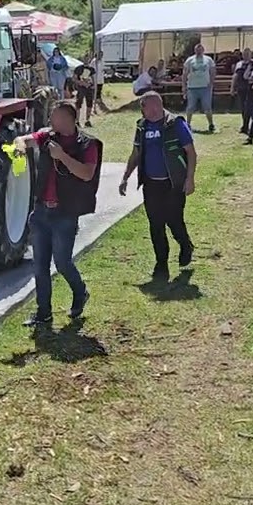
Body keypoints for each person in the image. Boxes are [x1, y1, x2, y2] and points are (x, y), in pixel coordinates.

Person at [15, 102, 101, 332]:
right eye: (52, 117)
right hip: (42, 211)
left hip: (65, 214)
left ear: (70, 119)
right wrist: (20, 144)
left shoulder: (87, 144)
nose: (53, 121)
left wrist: (61, 156)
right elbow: (26, 138)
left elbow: (86, 174)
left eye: (57, 117)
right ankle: (43, 314)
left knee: (62, 262)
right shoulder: (46, 137)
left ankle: (80, 292)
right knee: (39, 267)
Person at [118, 91, 197, 280]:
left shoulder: (175, 124)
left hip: (173, 182)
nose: (154, 110)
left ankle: (186, 245)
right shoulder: (142, 127)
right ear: (142, 109)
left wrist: (190, 178)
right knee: (156, 224)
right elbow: (136, 153)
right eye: (149, 107)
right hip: (151, 184)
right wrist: (125, 177)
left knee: (174, 220)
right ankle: (161, 263)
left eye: (157, 106)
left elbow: (191, 153)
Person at [182, 43, 216, 132]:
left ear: (203, 50)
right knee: (190, 107)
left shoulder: (208, 60)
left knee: (207, 106)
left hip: (205, 87)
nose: (199, 51)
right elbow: (185, 73)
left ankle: (211, 124)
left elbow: (212, 71)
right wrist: (184, 86)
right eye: (197, 49)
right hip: (192, 87)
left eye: (200, 49)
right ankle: (187, 124)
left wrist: (211, 83)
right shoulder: (190, 60)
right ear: (194, 50)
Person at [231, 48, 253, 138]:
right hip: (241, 89)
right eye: (244, 54)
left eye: (248, 54)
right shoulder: (239, 64)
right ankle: (245, 126)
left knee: (250, 108)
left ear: (251, 55)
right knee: (243, 108)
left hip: (251, 89)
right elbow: (235, 76)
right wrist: (232, 88)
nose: (246, 56)